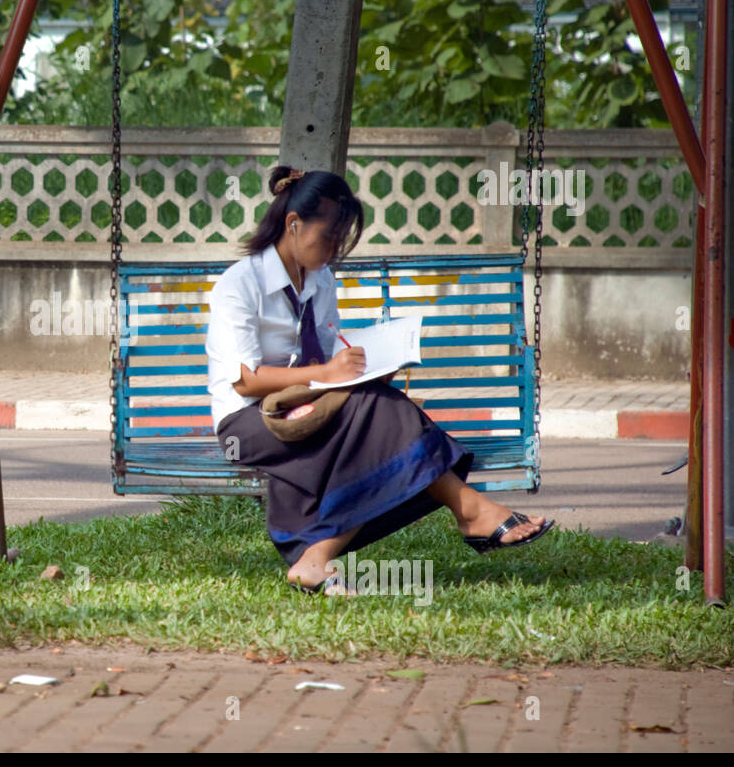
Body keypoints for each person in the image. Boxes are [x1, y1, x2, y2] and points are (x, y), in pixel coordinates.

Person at [207, 166, 554, 596]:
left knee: (379, 410)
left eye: (341, 241)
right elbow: (245, 380)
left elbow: (329, 354)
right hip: (250, 425)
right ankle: (470, 509)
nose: (334, 251)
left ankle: (316, 559)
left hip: (311, 407)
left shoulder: (320, 280)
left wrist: (366, 367)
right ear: (293, 224)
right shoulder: (241, 284)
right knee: (382, 416)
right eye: (328, 238)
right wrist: (328, 374)